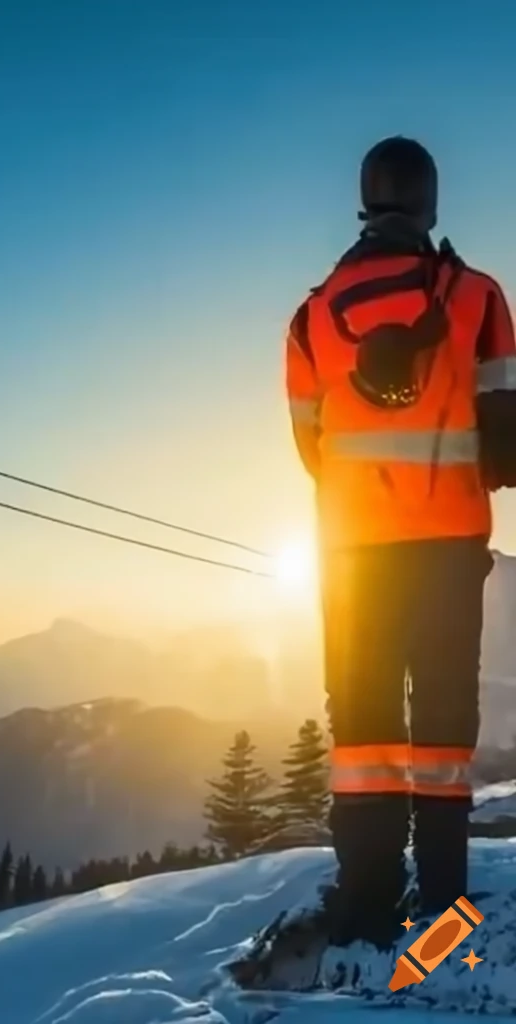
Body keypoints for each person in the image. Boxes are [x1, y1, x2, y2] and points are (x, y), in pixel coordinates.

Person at [284, 136, 516, 950]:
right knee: (444, 724)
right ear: (429, 202)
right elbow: (507, 443)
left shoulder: (313, 317)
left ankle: (367, 905)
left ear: (366, 201)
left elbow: (310, 447)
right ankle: (443, 911)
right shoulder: (477, 297)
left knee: (363, 729)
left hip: (352, 556)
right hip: (448, 545)